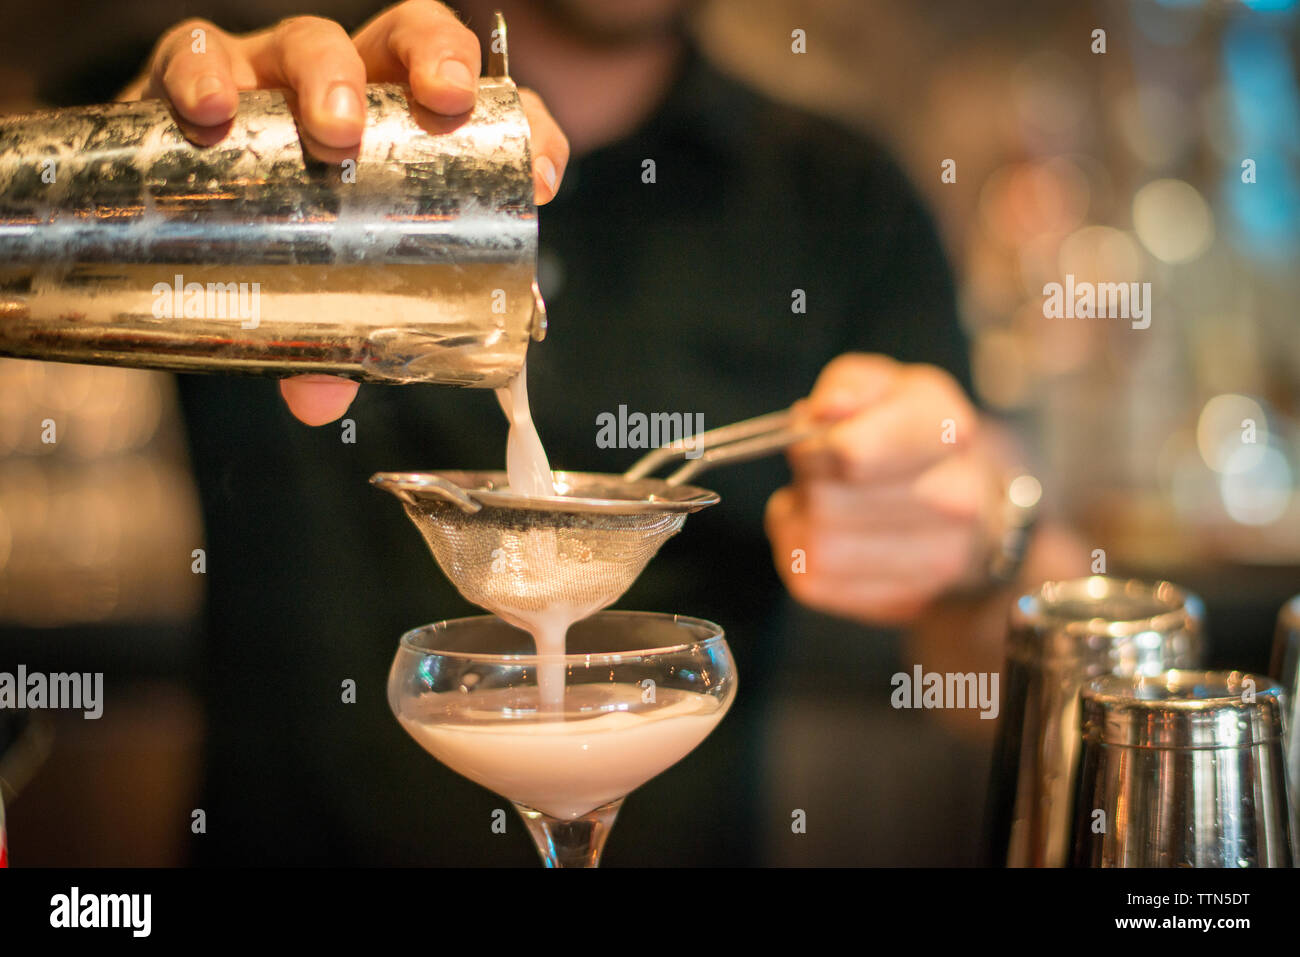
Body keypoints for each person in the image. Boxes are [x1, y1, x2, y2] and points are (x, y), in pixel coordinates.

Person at [122, 0, 1083, 865]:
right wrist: (147, 179)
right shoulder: (291, 143)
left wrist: (987, 535)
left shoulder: (840, 199)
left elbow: (997, 669)